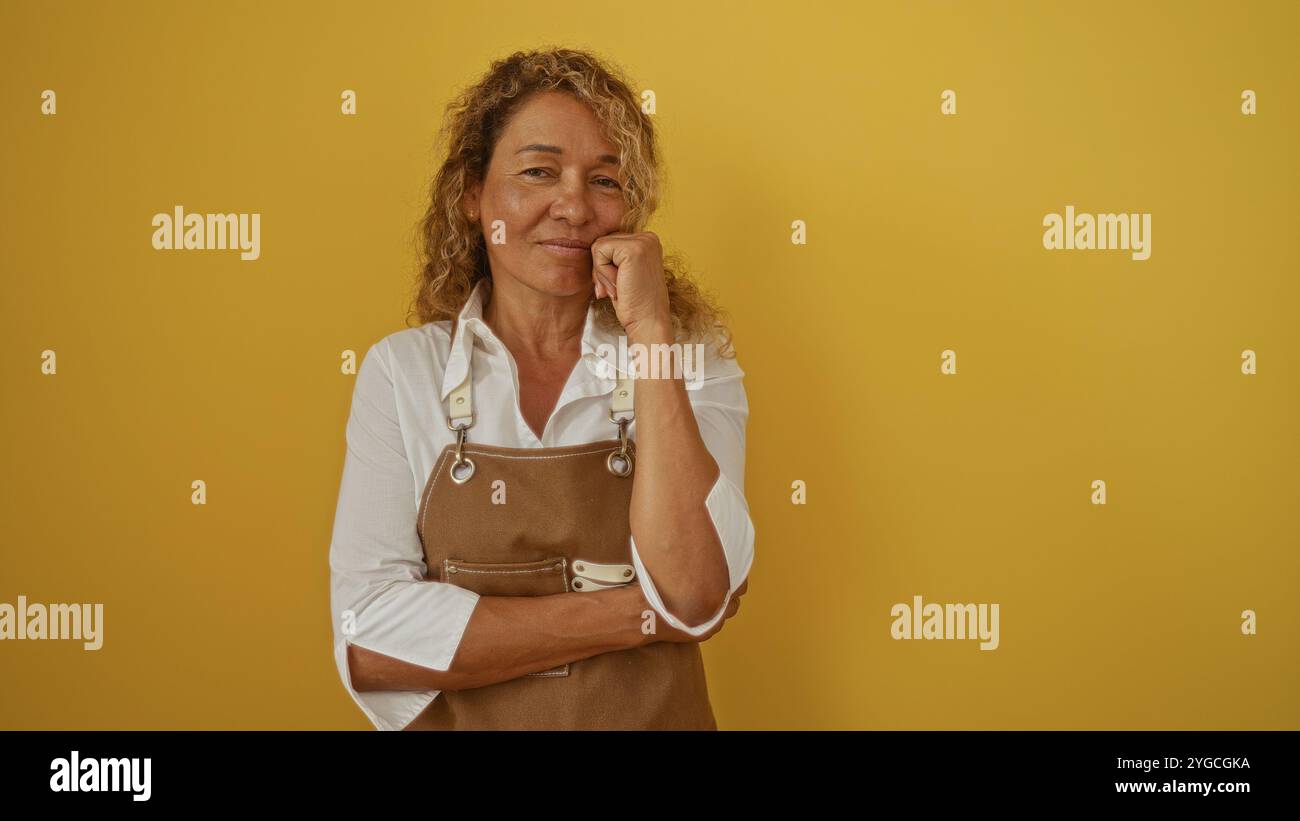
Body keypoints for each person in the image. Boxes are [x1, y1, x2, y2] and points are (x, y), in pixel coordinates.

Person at [328, 47, 754, 730]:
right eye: (539, 172)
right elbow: (369, 638)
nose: (574, 205)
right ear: (473, 195)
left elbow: (696, 594)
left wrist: (651, 334)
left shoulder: (689, 361)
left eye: (606, 181)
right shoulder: (402, 373)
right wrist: (632, 612)